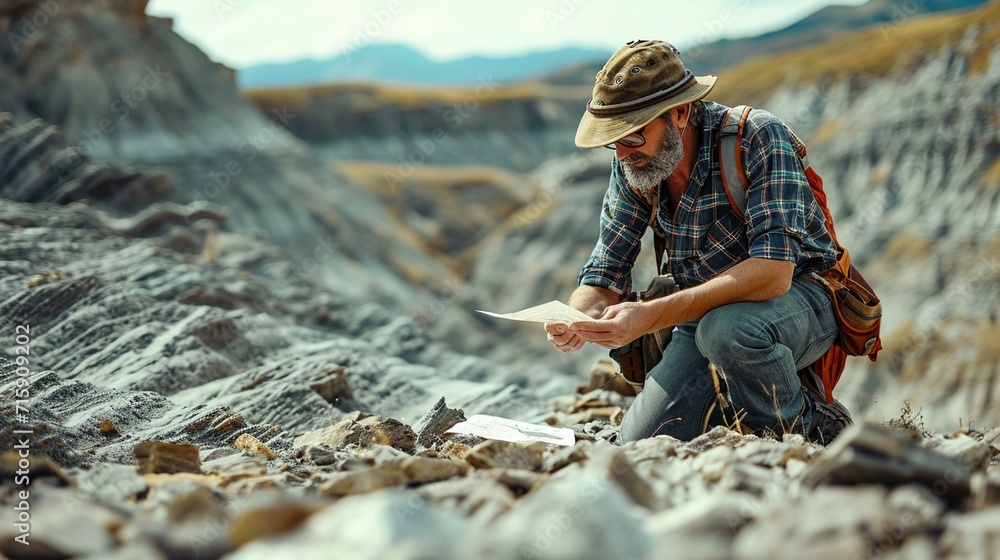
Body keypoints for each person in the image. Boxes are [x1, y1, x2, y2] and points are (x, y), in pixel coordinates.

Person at [544, 39, 851, 443]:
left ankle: (805, 429)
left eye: (632, 135)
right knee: (642, 441)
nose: (620, 153)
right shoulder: (635, 162)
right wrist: (576, 316)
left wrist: (650, 316)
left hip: (803, 299)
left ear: (679, 112)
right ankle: (733, 405)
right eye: (612, 140)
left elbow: (773, 274)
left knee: (726, 333)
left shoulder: (757, 137)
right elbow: (606, 267)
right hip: (702, 313)